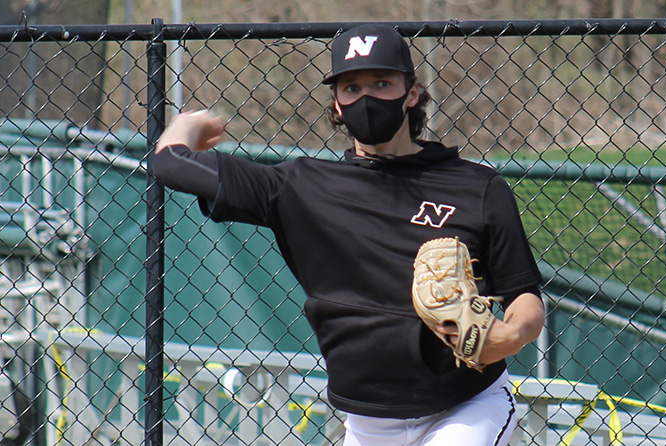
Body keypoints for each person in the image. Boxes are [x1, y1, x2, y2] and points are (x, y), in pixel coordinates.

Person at [152, 23, 545, 446]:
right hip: (366, 420)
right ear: (337, 105)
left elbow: (524, 294)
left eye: (382, 83)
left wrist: (513, 335)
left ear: (412, 93)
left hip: (466, 405)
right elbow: (171, 163)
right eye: (352, 87)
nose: (367, 97)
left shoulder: (476, 187)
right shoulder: (301, 186)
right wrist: (186, 126)